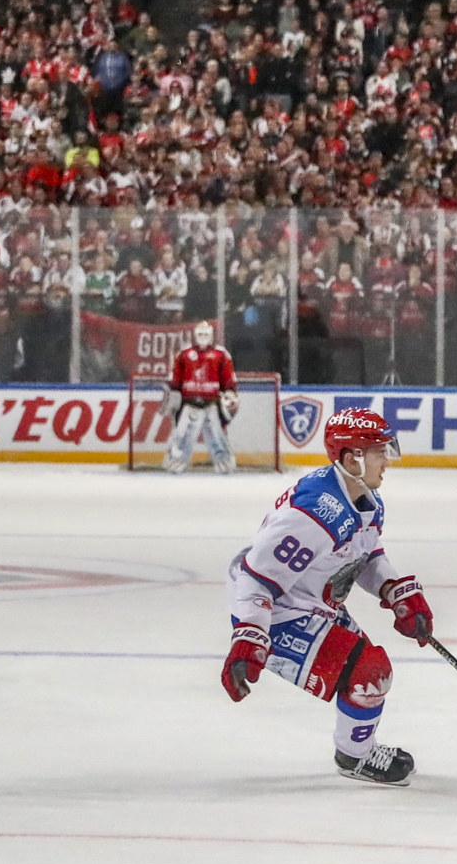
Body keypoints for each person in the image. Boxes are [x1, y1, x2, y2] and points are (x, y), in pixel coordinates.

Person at [221, 408, 429, 785]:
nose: (388, 460)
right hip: (275, 610)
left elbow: (364, 554)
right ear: (352, 459)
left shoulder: (364, 497)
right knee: (369, 671)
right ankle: (356, 757)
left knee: (366, 672)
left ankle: (356, 749)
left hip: (312, 600)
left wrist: (395, 591)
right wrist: (250, 635)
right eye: (379, 451)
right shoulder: (314, 513)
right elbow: (256, 578)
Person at [161, 320, 239, 474]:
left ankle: (223, 461)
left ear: (211, 336)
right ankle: (176, 460)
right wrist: (173, 392)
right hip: (189, 403)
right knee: (182, 435)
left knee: (216, 435)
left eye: (206, 334)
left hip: (212, 404)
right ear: (195, 336)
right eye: (200, 334)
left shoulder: (221, 354)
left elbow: (228, 379)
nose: (203, 337)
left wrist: (230, 393)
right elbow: (176, 378)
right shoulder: (184, 354)